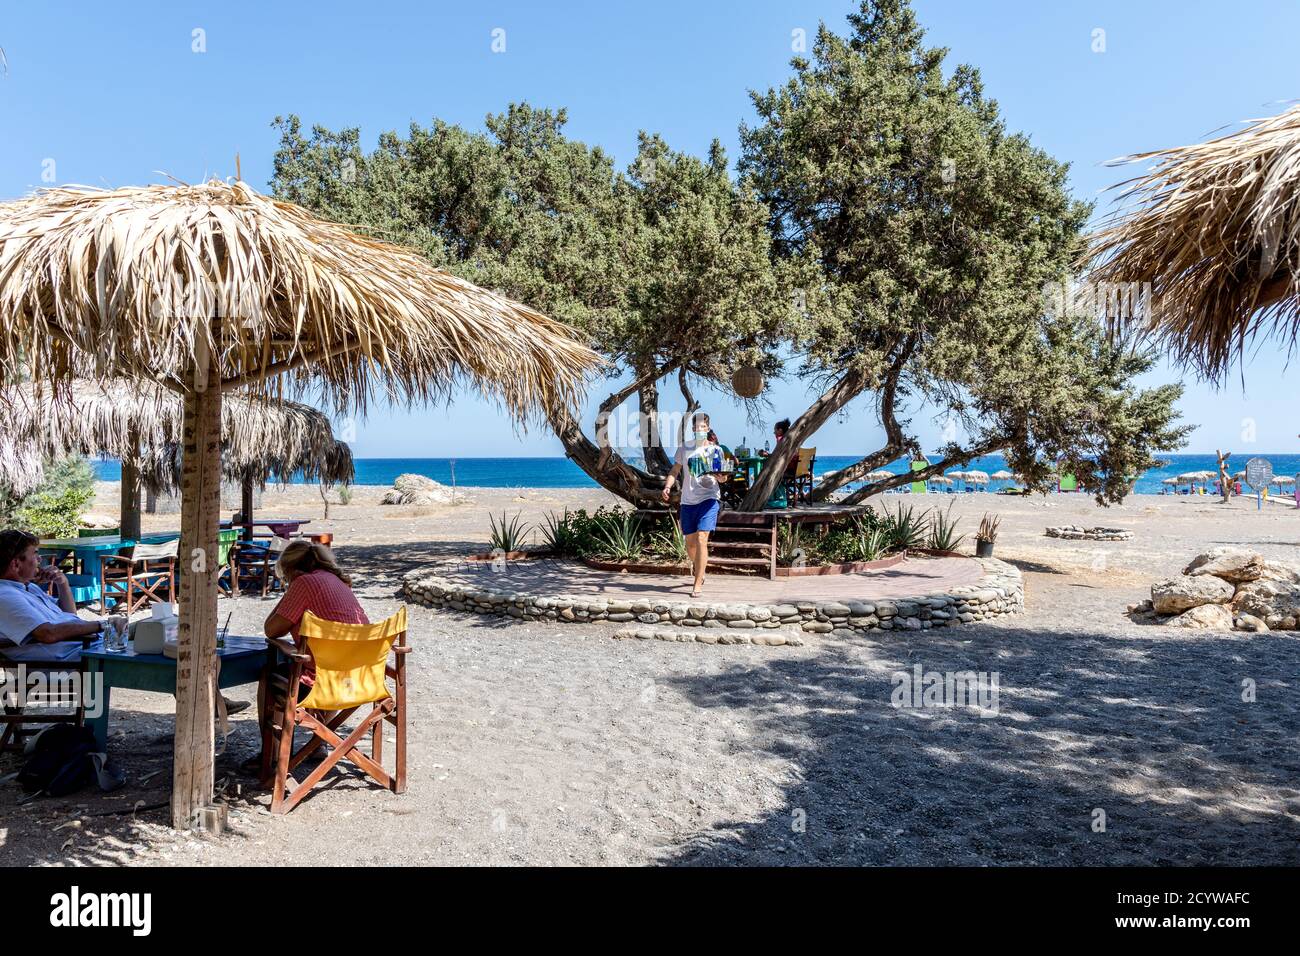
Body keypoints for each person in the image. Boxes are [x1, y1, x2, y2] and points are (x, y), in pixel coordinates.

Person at [247, 540, 368, 772]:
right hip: (362, 679)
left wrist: (288, 595)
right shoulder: (338, 581)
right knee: (325, 660)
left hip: (328, 683)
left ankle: (271, 754)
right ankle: (318, 743)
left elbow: (271, 629)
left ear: (291, 570)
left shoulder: (304, 583)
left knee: (270, 675)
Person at [0, 530, 120, 662]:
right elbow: (48, 634)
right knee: (141, 647)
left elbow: (70, 615)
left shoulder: (28, 588)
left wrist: (62, 583)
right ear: (16, 564)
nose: (39, 559)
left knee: (142, 634)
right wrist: (104, 625)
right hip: (72, 662)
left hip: (88, 648)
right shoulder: (5, 596)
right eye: (35, 553)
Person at [662, 412, 723, 598]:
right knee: (690, 543)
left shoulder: (715, 450)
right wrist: (667, 486)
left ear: (708, 427)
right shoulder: (685, 448)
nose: (699, 429)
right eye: (696, 427)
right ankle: (698, 567)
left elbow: (723, 476)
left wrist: (719, 476)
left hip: (709, 498)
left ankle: (698, 582)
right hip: (688, 500)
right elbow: (675, 469)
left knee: (702, 538)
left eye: (702, 426)